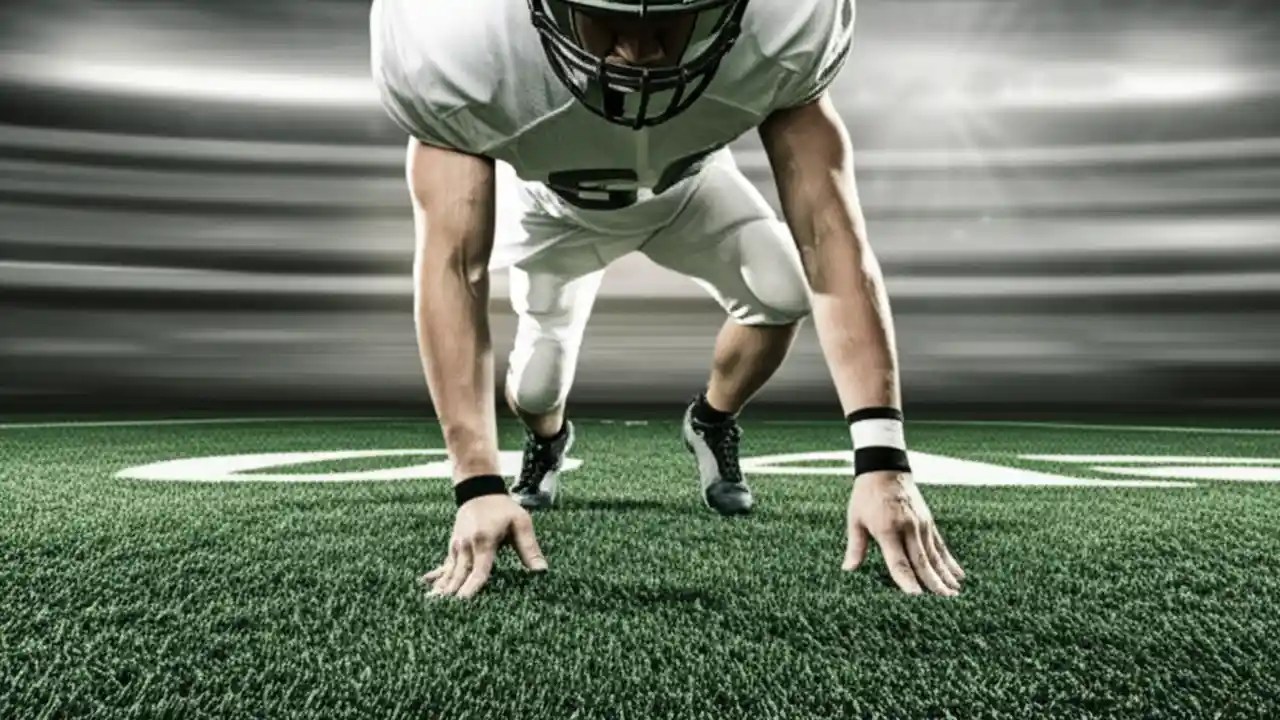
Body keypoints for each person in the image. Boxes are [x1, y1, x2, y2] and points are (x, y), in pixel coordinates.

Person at [370, 0, 965, 599]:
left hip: (688, 191)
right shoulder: (461, 36)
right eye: (610, 20)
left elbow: (829, 234)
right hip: (555, 218)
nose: (640, 54)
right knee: (536, 391)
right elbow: (455, 266)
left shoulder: (781, 21)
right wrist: (476, 484)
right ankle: (547, 443)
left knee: (782, 291)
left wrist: (883, 460)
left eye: (666, 21)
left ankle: (711, 420)